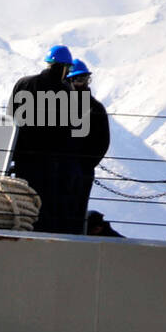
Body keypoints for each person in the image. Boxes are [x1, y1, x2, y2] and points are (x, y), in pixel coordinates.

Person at [8, 45, 76, 233]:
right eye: (68, 69)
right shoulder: (66, 92)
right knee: (46, 207)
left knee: (24, 201)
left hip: (24, 158)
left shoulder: (24, 84)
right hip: (51, 162)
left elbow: (11, 119)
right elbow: (70, 128)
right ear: (63, 67)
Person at [65, 59, 111, 234]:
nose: (82, 84)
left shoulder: (95, 108)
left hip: (81, 171)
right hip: (65, 170)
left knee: (75, 213)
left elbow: (102, 143)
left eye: (85, 79)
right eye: (77, 80)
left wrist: (84, 165)